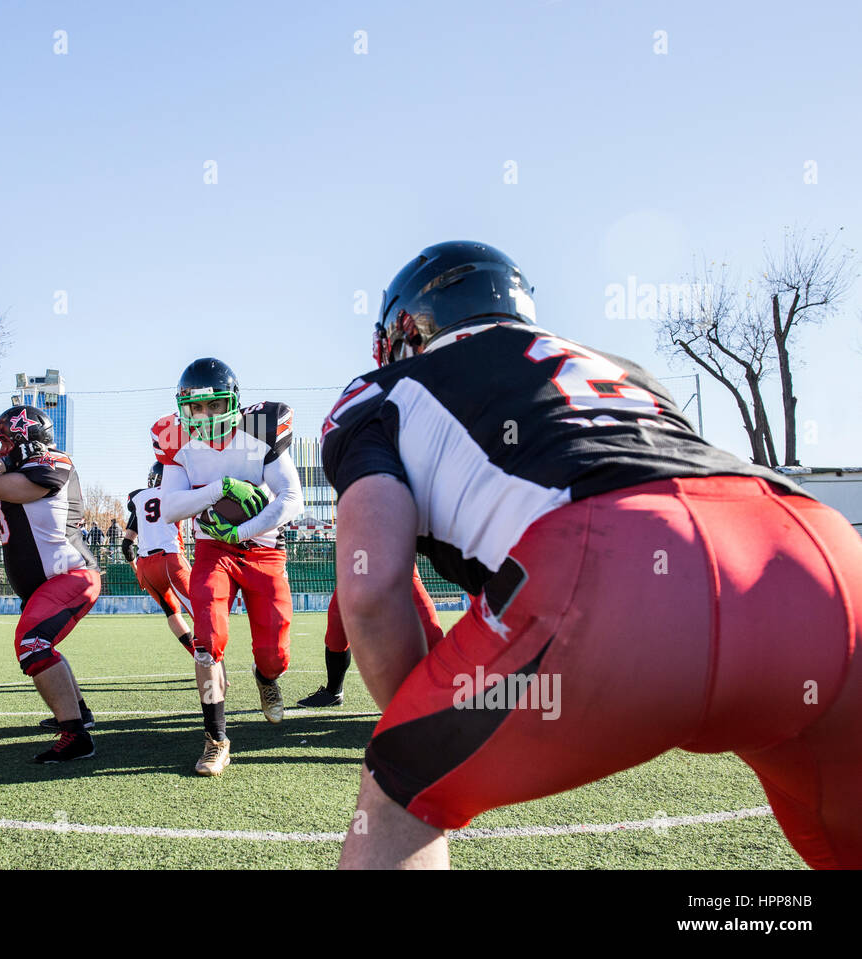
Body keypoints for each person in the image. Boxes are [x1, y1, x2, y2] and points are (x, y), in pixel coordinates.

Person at [322, 240, 862, 870]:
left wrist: (410, 730)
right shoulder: (622, 367)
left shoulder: (380, 393)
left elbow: (370, 586)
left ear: (405, 329)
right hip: (819, 555)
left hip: (613, 563)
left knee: (400, 788)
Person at [152, 358, 303, 776]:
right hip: (212, 548)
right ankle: (216, 739)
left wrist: (245, 530)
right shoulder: (176, 438)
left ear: (233, 402)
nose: (205, 416)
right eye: (195, 408)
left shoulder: (259, 429)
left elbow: (292, 499)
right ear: (184, 408)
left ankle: (265, 677)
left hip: (264, 549)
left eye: (215, 406)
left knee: (275, 655)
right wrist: (220, 487)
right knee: (207, 639)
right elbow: (169, 508)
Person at [0, 405, 102, 763]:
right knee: (38, 643)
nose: (0, 449)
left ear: (24, 438)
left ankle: (76, 736)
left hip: (71, 576)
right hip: (48, 584)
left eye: (5, 441)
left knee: (33, 644)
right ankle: (79, 713)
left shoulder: (54, 462)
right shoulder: (14, 481)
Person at [298, 565, 442, 708]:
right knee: (337, 629)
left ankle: (446, 693)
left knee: (430, 634)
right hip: (357, 570)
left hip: (397, 564)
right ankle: (333, 692)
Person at [123, 462, 197, 658]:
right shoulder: (176, 493)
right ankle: (212, 666)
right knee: (201, 613)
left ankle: (197, 655)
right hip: (170, 559)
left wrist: (136, 570)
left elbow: (126, 545)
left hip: (145, 566)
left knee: (172, 614)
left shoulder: (138, 498)